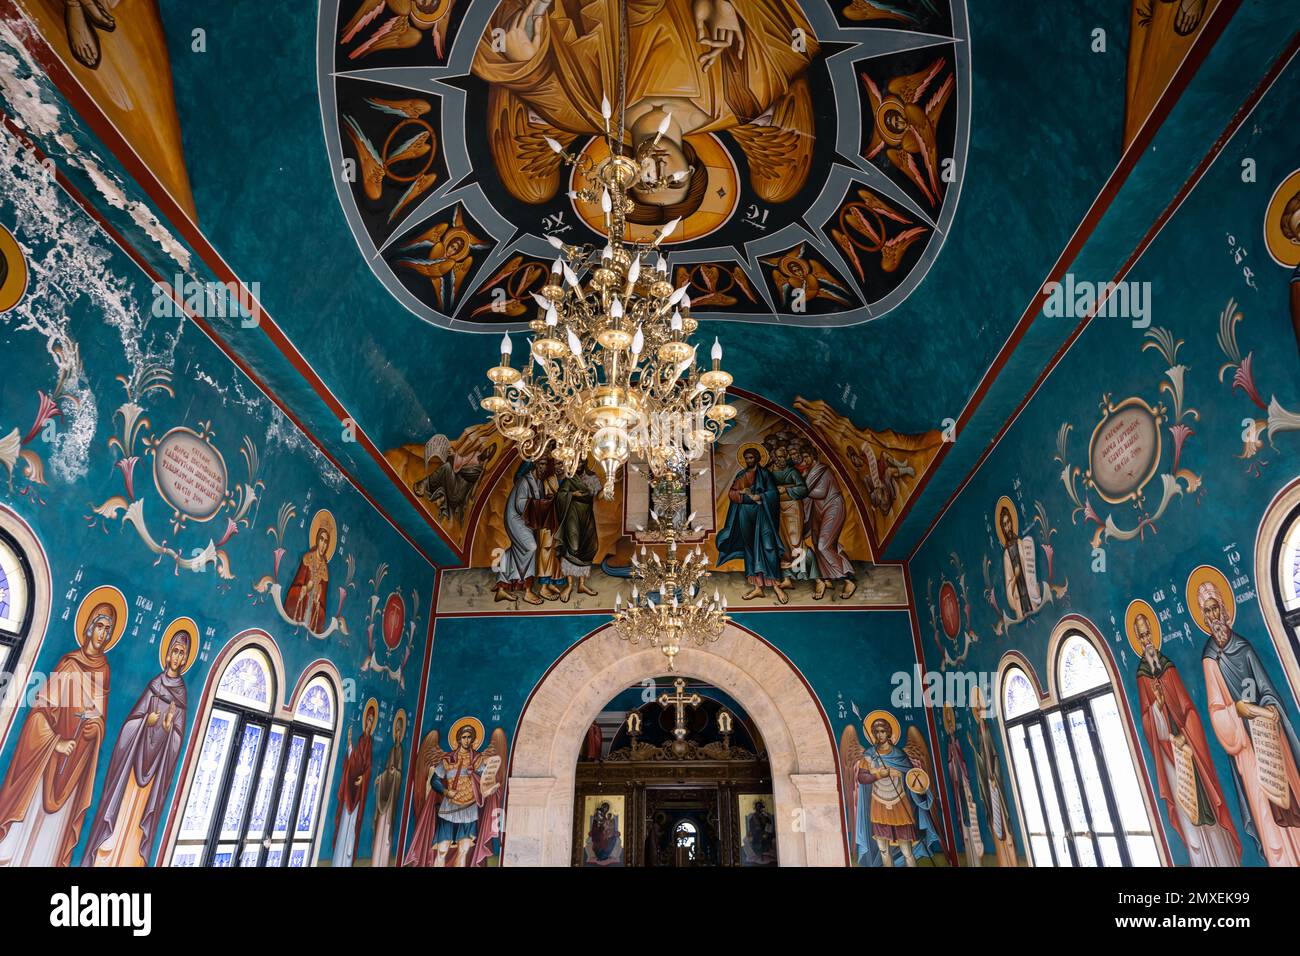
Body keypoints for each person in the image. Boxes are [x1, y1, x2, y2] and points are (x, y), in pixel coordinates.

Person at [470, 0, 819, 210]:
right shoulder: (742, 97)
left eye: (647, 182)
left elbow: (515, 70)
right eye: (674, 182)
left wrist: (522, 59)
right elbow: (802, 41)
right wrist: (728, 5)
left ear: (626, 172)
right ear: (691, 168)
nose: (660, 173)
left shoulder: (576, 112)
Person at [0, 597, 116, 867]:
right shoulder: (70, 664)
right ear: (89, 627)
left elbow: (100, 720)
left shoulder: (104, 671)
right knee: (30, 823)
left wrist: (94, 729)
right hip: (47, 762)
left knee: (53, 835)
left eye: (108, 629)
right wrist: (56, 742)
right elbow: (39, 712)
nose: (103, 634)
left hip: (76, 764)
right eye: (100, 626)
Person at [1196, 573, 1300, 866]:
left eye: (1216, 608)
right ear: (1204, 617)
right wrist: (1236, 711)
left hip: (1270, 740)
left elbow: (1267, 690)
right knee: (1266, 817)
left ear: (1224, 609)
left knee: (1289, 801)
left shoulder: (1244, 647)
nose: (1214, 616)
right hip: (1247, 752)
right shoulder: (1210, 659)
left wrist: (1268, 709)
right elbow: (1216, 711)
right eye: (1208, 611)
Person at [1130, 608, 1240, 865]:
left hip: (1189, 751)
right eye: (1141, 636)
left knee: (1208, 806)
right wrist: (1158, 708)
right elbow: (1147, 723)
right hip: (1170, 758)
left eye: (1148, 634)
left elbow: (1187, 707)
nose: (1146, 640)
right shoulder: (1142, 677)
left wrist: (1186, 735)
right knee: (1186, 814)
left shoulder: (1168, 667)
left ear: (1153, 634)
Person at [83, 625, 190, 867]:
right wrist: (145, 722)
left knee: (138, 817)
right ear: (167, 654)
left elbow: (177, 743)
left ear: (185, 659)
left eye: (182, 653)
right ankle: (105, 859)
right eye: (175, 651)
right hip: (132, 768)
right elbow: (129, 726)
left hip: (154, 775)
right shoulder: (155, 685)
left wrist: (168, 729)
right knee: (122, 810)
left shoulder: (181, 697)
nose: (177, 657)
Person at [715, 444, 786, 603]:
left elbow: (773, 493)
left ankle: (776, 586)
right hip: (745, 513)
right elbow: (732, 493)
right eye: (746, 458)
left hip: (762, 513)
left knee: (768, 546)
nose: (748, 460)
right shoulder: (741, 475)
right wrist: (742, 494)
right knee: (750, 549)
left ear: (757, 458)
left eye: (751, 457)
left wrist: (760, 497)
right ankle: (757, 587)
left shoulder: (765, 474)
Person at [799, 446, 856, 600]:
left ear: (813, 456)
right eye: (802, 457)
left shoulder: (824, 470)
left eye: (806, 456)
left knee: (823, 545)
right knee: (818, 544)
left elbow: (821, 492)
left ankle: (848, 579)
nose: (804, 460)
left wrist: (800, 490)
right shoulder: (808, 473)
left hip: (833, 507)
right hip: (817, 510)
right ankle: (826, 579)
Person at [331, 704, 375, 868]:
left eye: (371, 720)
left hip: (358, 791)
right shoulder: (361, 739)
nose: (369, 723)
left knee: (352, 828)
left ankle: (347, 862)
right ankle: (338, 861)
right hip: (350, 789)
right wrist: (350, 744)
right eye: (368, 719)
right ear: (365, 721)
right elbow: (354, 760)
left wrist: (364, 777)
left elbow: (368, 766)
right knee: (345, 825)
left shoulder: (369, 742)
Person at [552, 461, 601, 602]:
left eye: (581, 462)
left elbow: (598, 495)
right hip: (572, 514)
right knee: (573, 547)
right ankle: (569, 585)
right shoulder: (569, 478)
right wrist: (572, 494)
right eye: (576, 462)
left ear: (585, 462)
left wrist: (608, 489)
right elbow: (560, 496)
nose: (578, 465)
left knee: (589, 547)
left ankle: (581, 584)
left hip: (587, 515)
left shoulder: (592, 477)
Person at [285, 524, 332, 632]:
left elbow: (322, 602)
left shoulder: (325, 570)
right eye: (321, 539)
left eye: (326, 542)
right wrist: (305, 588)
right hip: (302, 605)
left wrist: (318, 598)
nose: (323, 544)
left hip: (312, 612)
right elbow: (297, 583)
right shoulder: (308, 558)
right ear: (317, 540)